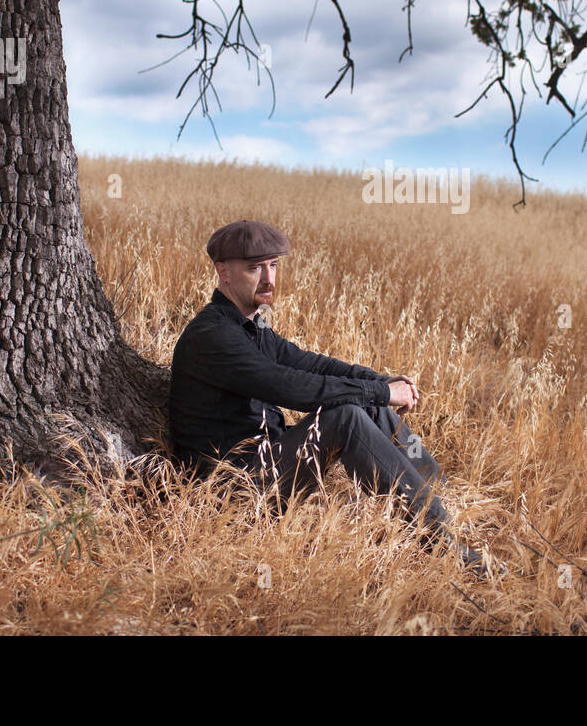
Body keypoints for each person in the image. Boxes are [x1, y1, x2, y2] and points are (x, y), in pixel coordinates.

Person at [169, 219, 490, 574]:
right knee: (345, 417)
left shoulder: (252, 326)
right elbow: (293, 388)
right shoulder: (212, 335)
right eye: (254, 268)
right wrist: (383, 392)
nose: (269, 279)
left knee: (367, 402)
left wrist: (379, 381)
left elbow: (309, 363)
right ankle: (444, 545)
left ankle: (438, 493)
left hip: (266, 463)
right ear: (223, 272)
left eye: (273, 265)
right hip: (233, 490)